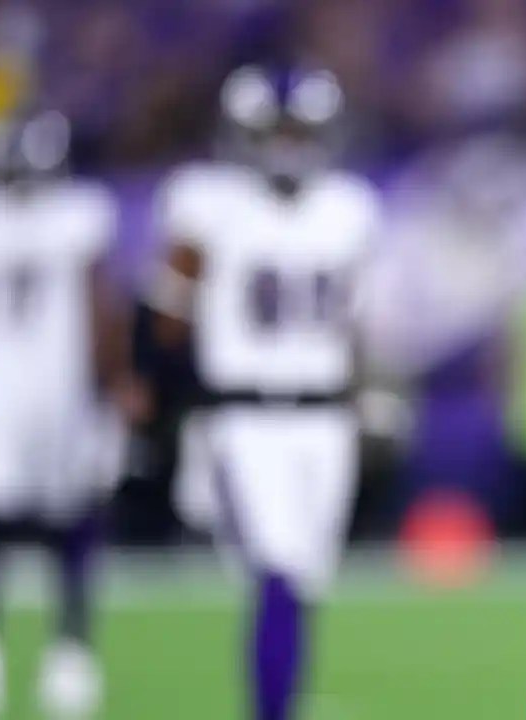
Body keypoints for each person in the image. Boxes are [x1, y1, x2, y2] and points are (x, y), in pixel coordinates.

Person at [145, 62, 380, 720]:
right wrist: (164, 405)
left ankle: (282, 703)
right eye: (272, 131)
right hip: (244, 415)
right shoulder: (208, 203)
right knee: (275, 571)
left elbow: (354, 325)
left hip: (325, 416)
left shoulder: (349, 208)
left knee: (303, 578)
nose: (287, 145)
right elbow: (167, 319)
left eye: (299, 131)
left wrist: (368, 398)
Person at [0, 108, 135, 719]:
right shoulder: (49, 216)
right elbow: (102, 314)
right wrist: (109, 391)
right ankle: (58, 645)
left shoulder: (17, 217)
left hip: (11, 390)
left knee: (5, 515)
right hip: (35, 389)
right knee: (42, 514)